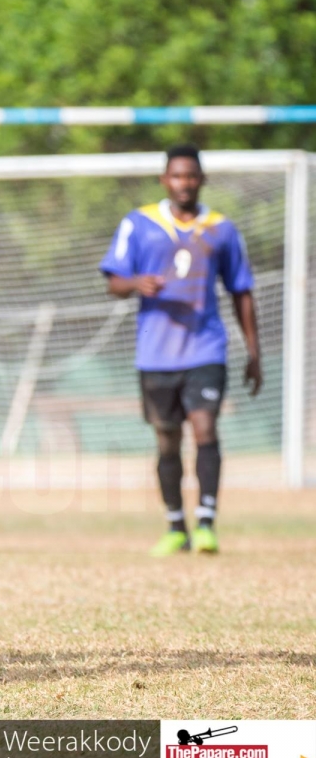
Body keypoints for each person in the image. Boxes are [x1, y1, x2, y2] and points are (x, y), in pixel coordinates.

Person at [100, 144, 260, 557]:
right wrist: (137, 283)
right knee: (167, 440)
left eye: (191, 176)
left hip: (206, 348)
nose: (184, 183)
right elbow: (114, 283)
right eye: (176, 176)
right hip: (155, 354)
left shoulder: (222, 229)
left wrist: (253, 351)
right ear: (164, 180)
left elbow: (241, 290)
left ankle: (206, 522)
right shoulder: (139, 224)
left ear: (201, 180)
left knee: (205, 427)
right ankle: (176, 527)